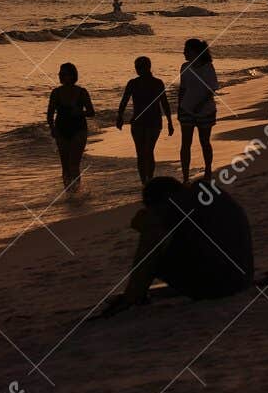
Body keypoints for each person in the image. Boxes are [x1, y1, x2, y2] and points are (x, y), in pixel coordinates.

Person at [99, 177, 254, 315]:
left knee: (152, 233)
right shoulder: (202, 194)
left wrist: (147, 224)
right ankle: (134, 294)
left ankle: (132, 296)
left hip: (221, 285)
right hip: (243, 278)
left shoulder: (181, 204)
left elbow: (152, 227)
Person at [116, 56, 173, 186]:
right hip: (139, 122)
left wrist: (170, 122)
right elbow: (124, 101)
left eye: (140, 67)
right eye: (137, 67)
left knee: (147, 151)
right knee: (141, 153)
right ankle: (144, 182)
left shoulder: (157, 83)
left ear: (148, 67)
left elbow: (164, 103)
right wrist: (119, 116)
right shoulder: (133, 83)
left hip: (152, 122)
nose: (138, 69)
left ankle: (149, 180)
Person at [46, 62, 94, 195]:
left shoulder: (82, 92)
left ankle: (76, 192)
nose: (60, 76)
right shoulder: (56, 93)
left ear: (71, 76)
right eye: (60, 73)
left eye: (63, 74)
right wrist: (52, 128)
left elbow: (91, 112)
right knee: (65, 166)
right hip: (61, 130)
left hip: (79, 129)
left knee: (74, 164)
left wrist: (80, 112)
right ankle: (69, 193)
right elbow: (49, 114)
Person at [177, 37, 218, 184]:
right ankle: (185, 176)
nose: (184, 53)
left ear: (194, 51)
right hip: (186, 109)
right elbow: (182, 89)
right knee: (185, 143)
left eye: (186, 50)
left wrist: (200, 105)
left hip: (205, 110)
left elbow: (212, 89)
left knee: (204, 142)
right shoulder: (184, 67)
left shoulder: (208, 67)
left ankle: (208, 170)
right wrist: (179, 107)